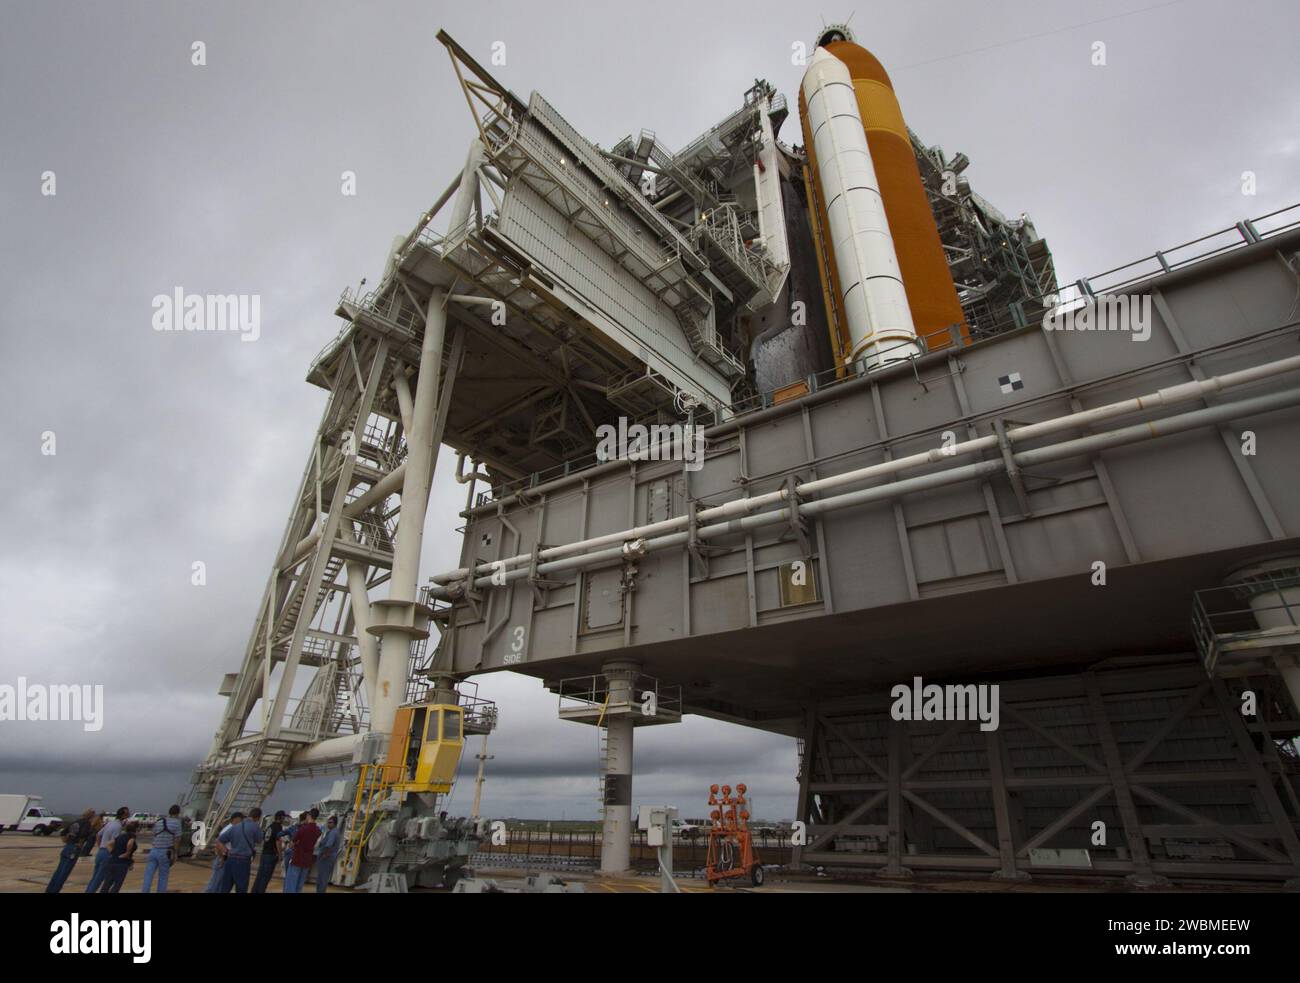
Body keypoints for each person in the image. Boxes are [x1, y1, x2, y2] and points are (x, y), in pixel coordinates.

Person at [45, 809, 96, 893]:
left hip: (68, 846)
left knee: (58, 871)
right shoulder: (86, 823)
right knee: (64, 874)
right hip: (74, 849)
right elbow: (83, 834)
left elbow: (63, 833)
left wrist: (67, 840)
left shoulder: (76, 821)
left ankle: (49, 890)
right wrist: (80, 842)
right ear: (91, 816)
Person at [216, 808, 264, 893]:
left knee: (225, 887)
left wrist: (226, 852)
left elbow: (220, 841)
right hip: (243, 861)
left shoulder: (236, 826)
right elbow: (259, 840)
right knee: (241, 887)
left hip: (230, 859)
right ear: (258, 817)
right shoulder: (255, 826)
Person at [85, 806, 129, 893]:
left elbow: (98, 834)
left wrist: (100, 846)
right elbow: (114, 842)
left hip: (101, 851)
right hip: (107, 853)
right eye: (127, 814)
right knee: (99, 878)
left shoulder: (110, 823)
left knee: (95, 877)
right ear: (123, 816)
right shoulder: (118, 827)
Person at [141, 805, 182, 894]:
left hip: (154, 850)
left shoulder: (159, 821)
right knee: (163, 876)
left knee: (148, 874)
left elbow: (154, 833)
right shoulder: (177, 823)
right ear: (178, 813)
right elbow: (177, 839)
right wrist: (175, 853)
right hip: (166, 851)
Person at [252, 810, 287, 894]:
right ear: (281, 818)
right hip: (271, 854)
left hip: (265, 853)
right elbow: (277, 841)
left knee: (260, 875)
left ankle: (255, 891)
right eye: (284, 817)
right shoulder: (278, 827)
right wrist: (280, 854)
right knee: (266, 876)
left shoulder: (270, 826)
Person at [283, 811, 319, 893]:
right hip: (307, 860)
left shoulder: (303, 829)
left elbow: (292, 843)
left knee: (291, 884)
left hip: (297, 858)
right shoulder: (318, 830)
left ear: (309, 816)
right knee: (299, 886)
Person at [98, 821, 139, 893]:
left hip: (112, 861)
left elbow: (108, 844)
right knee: (117, 884)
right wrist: (127, 853)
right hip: (122, 863)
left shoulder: (120, 836)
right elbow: (130, 843)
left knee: (107, 883)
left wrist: (113, 852)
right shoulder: (132, 836)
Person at [202, 819, 234, 893]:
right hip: (223, 859)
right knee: (214, 885)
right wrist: (221, 858)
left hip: (224, 858)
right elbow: (218, 844)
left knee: (218, 884)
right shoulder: (230, 829)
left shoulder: (230, 828)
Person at [314, 815, 341, 893]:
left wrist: (324, 855)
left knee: (322, 878)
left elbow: (329, 845)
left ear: (335, 823)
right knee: (323, 877)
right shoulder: (333, 831)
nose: (328, 824)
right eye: (328, 822)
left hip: (326, 858)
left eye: (330, 823)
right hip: (328, 857)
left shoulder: (333, 833)